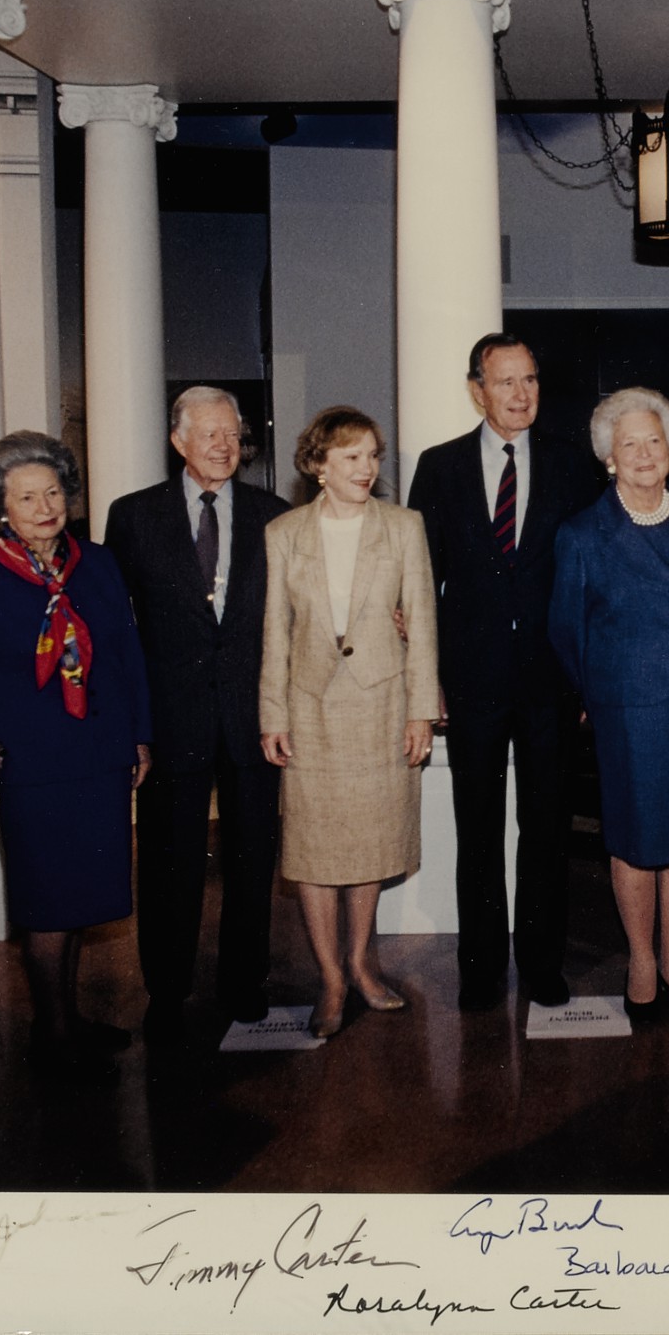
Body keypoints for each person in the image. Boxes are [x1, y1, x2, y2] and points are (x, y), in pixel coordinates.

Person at [0, 432, 152, 1083]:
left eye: (53, 492)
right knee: (46, 904)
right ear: (0, 506)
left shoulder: (97, 565)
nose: (44, 506)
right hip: (32, 763)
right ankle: (54, 1036)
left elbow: (126, 655)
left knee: (79, 900)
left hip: (99, 755)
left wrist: (139, 735)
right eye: (25, 497)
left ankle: (62, 1022)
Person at [407, 334, 603, 1012]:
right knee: (479, 824)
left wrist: (584, 674)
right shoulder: (439, 468)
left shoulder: (574, 466)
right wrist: (425, 677)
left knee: (547, 826)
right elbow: (419, 580)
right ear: (477, 389)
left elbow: (589, 580)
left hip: (551, 679)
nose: (521, 394)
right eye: (506, 381)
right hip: (474, 678)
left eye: (530, 379)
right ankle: (482, 966)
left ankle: (543, 962)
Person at [549, 388, 669, 1025]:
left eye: (653, 441)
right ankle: (639, 960)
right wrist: (599, 691)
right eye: (628, 443)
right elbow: (566, 629)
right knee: (636, 836)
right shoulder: (583, 533)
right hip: (629, 703)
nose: (642, 453)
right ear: (608, 456)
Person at [104, 387, 291, 1041]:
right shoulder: (131, 518)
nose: (222, 445)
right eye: (208, 434)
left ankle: (244, 983)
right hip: (170, 721)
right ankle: (167, 989)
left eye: (232, 435)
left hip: (253, 721)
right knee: (167, 862)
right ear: (178, 441)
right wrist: (130, 727)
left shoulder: (276, 515)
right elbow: (114, 630)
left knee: (251, 859)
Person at [260, 407, 437, 1036]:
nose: (368, 468)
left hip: (382, 705)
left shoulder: (404, 526)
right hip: (309, 706)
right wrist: (272, 715)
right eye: (353, 457)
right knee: (313, 851)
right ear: (319, 465)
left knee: (370, 842)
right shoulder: (282, 534)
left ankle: (363, 964)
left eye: (373, 456)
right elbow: (273, 633)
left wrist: (422, 708)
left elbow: (422, 622)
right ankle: (331, 979)